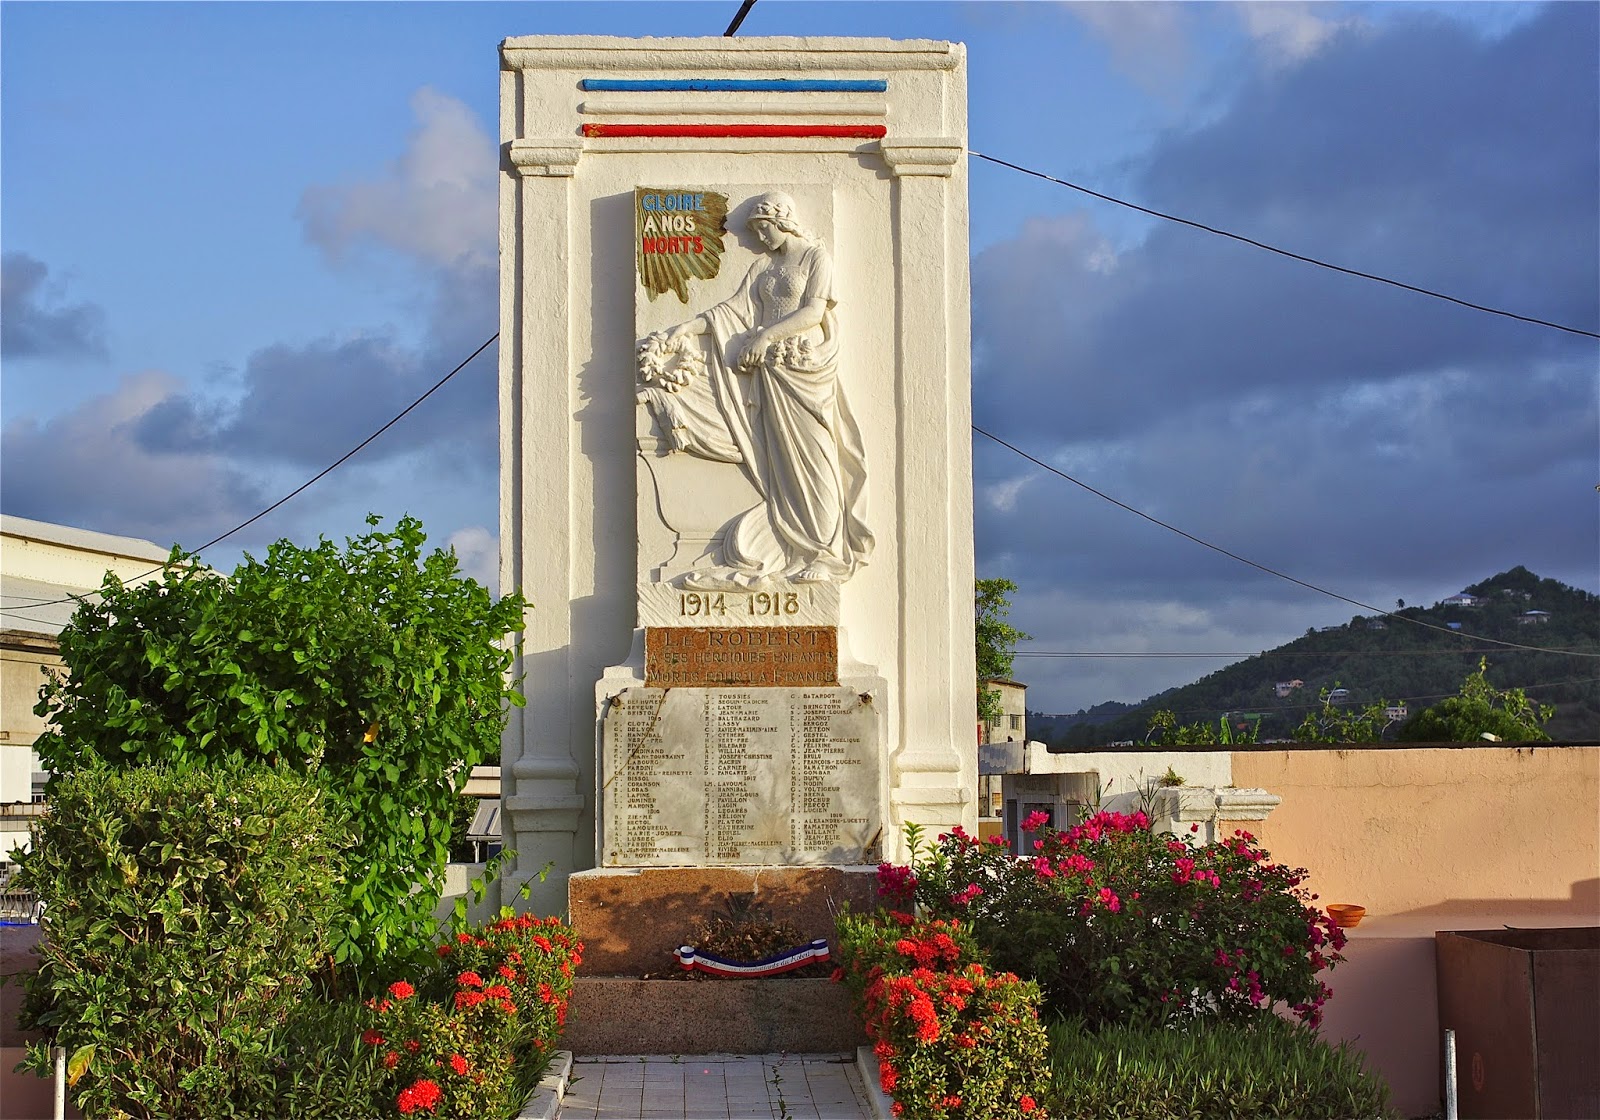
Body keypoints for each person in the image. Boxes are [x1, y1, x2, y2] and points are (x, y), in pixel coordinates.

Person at [641, 191, 872, 587]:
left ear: (782, 221)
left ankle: (828, 552)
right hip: (769, 375)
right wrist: (687, 328)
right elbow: (731, 311)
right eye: (756, 231)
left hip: (804, 370)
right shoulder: (764, 269)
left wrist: (765, 338)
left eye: (764, 228)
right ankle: (798, 546)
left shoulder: (816, 258)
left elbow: (814, 312)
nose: (761, 238)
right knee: (782, 463)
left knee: (815, 457)